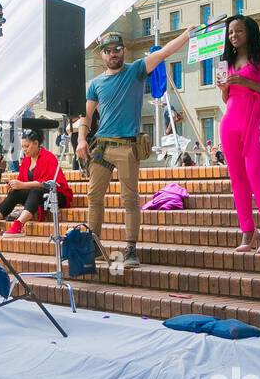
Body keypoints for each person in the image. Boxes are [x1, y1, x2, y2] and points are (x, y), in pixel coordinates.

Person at [79, 27, 194, 266]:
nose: (113, 54)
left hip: (127, 145)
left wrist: (186, 35)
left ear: (123, 50)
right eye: (108, 51)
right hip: (101, 145)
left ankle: (130, 248)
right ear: (102, 55)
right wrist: (81, 139)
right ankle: (93, 245)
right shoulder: (95, 83)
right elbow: (86, 116)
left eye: (117, 49)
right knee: (93, 196)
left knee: (129, 198)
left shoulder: (136, 70)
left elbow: (163, 53)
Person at [216, 15, 260, 254]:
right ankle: (247, 230)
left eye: (239, 31)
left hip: (258, 119)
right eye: (231, 32)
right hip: (231, 121)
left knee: (256, 172)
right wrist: (224, 89)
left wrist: (246, 81)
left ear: (250, 32)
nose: (234, 36)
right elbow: (228, 98)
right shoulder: (228, 61)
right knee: (237, 177)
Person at [0, 129, 73, 236]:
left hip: (57, 194)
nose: (24, 150)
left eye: (27, 146)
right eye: (22, 146)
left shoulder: (49, 157)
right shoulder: (26, 160)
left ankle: (18, 224)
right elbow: (21, 181)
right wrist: (15, 186)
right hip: (37, 195)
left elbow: (47, 183)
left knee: (36, 191)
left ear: (36, 143)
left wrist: (22, 185)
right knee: (14, 194)